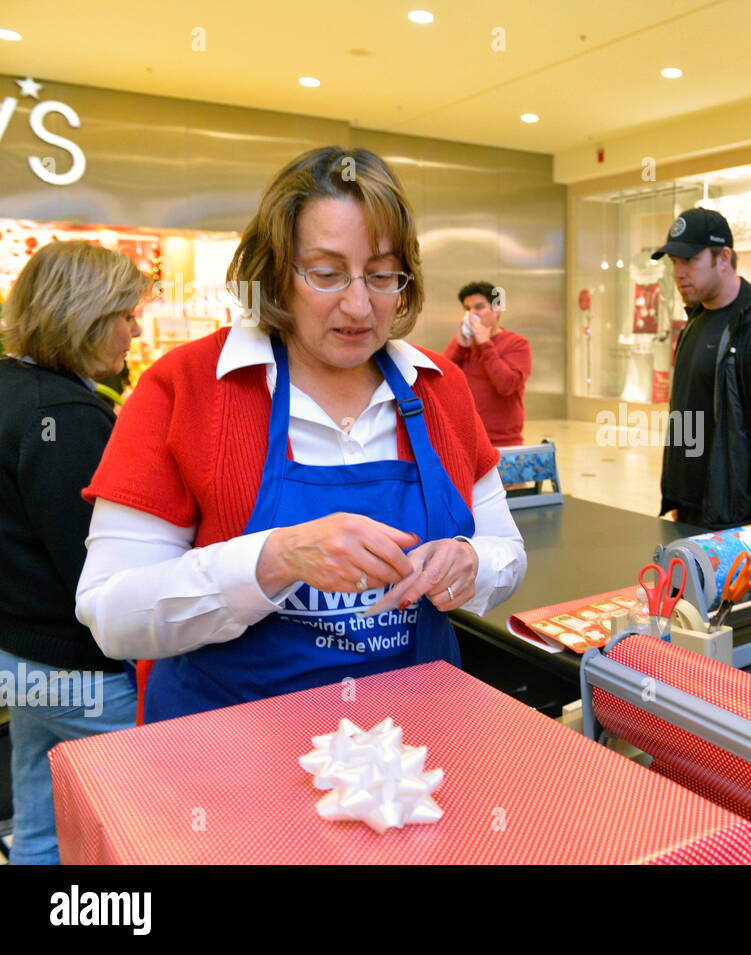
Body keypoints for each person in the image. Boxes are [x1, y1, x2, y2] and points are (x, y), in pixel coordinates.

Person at [75, 147, 526, 722]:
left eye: (382, 274)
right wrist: (275, 559)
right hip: (228, 754)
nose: (360, 304)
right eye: (327, 273)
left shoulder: (439, 389)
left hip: (410, 747)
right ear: (274, 274)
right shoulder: (187, 389)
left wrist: (471, 563)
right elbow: (112, 614)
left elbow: (505, 551)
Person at [0, 240, 147, 863]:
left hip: (19, 655)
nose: (135, 330)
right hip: (79, 669)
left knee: (40, 815)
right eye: (124, 314)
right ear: (84, 315)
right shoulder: (66, 414)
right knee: (140, 823)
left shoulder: (12, 387)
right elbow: (93, 564)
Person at [652, 208, 751, 529]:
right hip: (693, 514)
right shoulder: (694, 324)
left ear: (723, 258)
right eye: (674, 263)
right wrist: (680, 496)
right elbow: (685, 411)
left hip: (739, 524)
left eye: (690, 260)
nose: (678, 273)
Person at [443, 281, 532, 446]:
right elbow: (441, 379)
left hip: (502, 442)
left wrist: (485, 344)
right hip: (466, 440)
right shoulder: (465, 345)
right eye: (467, 309)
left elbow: (506, 385)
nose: (472, 314)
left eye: (478, 307)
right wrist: (460, 346)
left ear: (497, 309)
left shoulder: (517, 344)